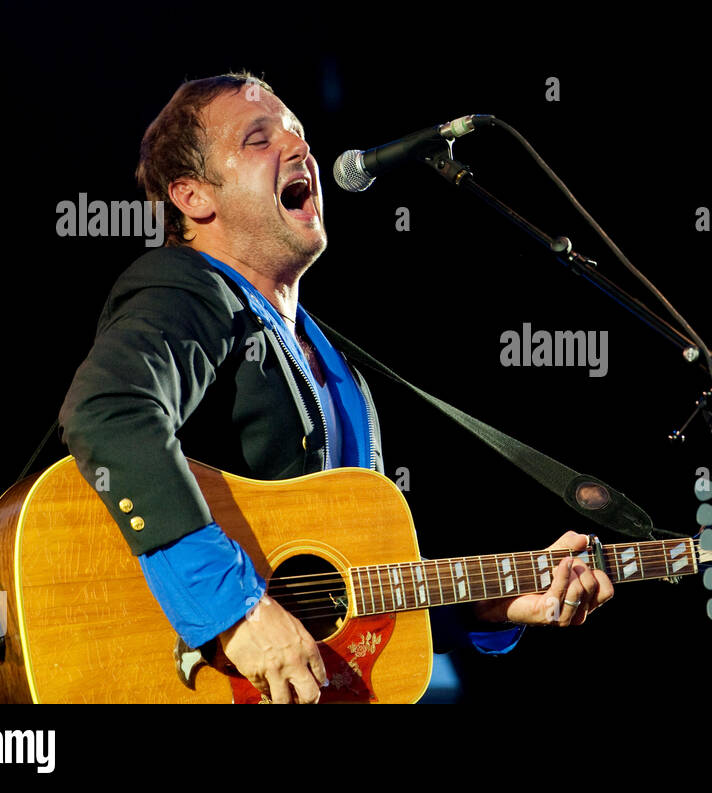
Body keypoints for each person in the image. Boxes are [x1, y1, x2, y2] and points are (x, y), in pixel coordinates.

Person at [58, 72, 613, 704]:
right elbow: (108, 412)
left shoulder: (332, 362)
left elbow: (343, 595)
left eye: (298, 134)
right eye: (258, 139)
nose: (299, 151)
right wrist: (234, 611)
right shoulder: (185, 286)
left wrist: (493, 606)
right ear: (193, 197)